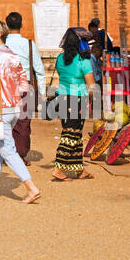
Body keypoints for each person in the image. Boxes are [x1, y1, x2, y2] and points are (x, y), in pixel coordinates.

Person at [0, 20, 42, 203]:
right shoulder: (13, 55)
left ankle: (31, 188)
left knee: (7, 150)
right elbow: (23, 83)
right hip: (14, 107)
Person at [52, 27, 97, 182]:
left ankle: (78, 169)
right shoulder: (83, 61)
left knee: (74, 133)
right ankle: (58, 168)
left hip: (62, 97)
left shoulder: (59, 58)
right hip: (77, 99)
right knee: (71, 133)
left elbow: (61, 75)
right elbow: (91, 85)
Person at [2, 11, 46, 165]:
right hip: (24, 85)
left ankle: (5, 154)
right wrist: (42, 93)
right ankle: (19, 155)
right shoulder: (29, 44)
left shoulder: (2, 43)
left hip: (5, 86)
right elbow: (39, 70)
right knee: (23, 122)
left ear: (6, 26)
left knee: (5, 120)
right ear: (21, 25)